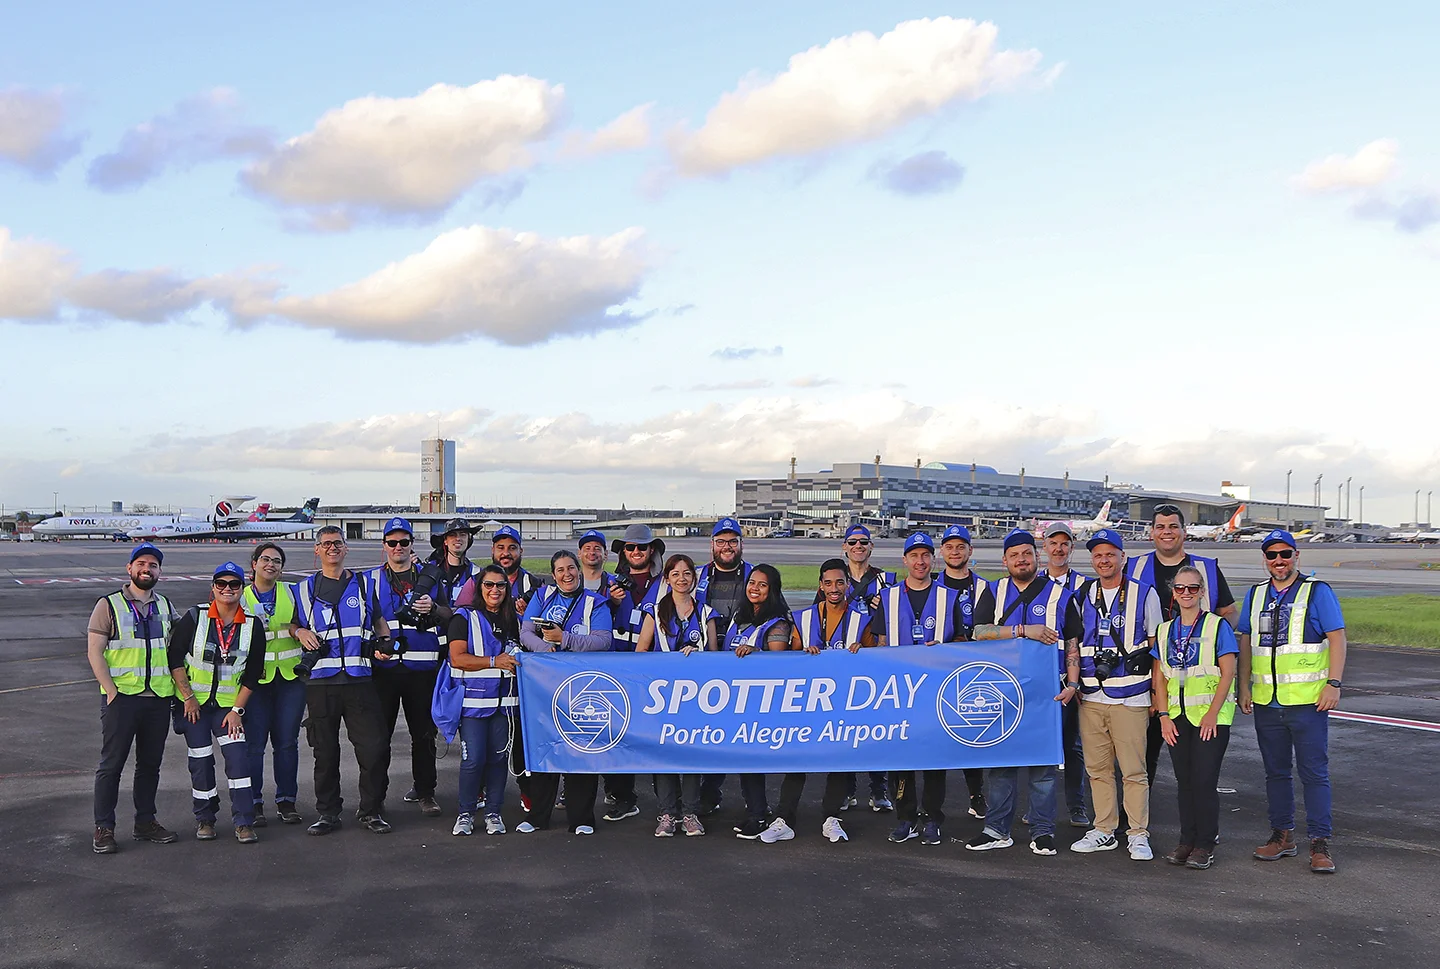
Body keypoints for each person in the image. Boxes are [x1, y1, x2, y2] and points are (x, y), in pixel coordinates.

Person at [1237, 530, 1347, 874]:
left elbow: (1337, 637)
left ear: (1296, 555)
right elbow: (1245, 642)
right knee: (1276, 773)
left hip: (1308, 702)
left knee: (1314, 773)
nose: (1279, 560)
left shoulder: (1317, 591)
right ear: (1265, 559)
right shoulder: (1255, 594)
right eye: (1272, 555)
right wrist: (1243, 686)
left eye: (1285, 553)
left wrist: (1333, 684)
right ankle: (1282, 835)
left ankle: (1319, 842)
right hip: (1266, 701)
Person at [968, 529, 1083, 856]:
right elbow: (978, 632)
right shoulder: (994, 591)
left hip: (1046, 692)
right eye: (1015, 555)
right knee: (1001, 764)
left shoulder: (1060, 595)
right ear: (1005, 560)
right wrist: (1022, 631)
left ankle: (1043, 831)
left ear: (1036, 556)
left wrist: (1073, 684)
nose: (1021, 559)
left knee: (1042, 767)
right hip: (1001, 690)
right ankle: (996, 829)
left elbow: (1072, 642)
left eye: (1027, 554)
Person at [1128, 503, 1240, 790]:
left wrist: (1215, 635)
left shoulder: (1206, 568)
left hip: (1193, 689)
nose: (1167, 532)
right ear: (1152, 532)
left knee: (1194, 770)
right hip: (1146, 675)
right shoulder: (1134, 566)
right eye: (1160, 527)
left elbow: (1229, 611)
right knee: (1141, 758)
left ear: (1184, 531)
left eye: (1173, 526)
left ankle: (1195, 817)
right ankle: (1136, 815)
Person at [292, 525, 394, 835]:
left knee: (373, 749)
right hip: (321, 682)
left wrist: (385, 642)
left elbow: (379, 620)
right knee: (324, 753)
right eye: (326, 544)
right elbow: (291, 623)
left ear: (346, 548)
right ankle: (328, 813)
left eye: (337, 543)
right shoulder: (303, 589)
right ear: (317, 550)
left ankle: (371, 810)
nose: (332, 548)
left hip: (359, 680)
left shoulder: (362, 585)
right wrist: (299, 631)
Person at [1068, 529, 1161, 861]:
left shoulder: (1144, 593)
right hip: (1092, 697)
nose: (1104, 560)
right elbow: (1074, 645)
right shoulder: (1081, 595)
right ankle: (1104, 829)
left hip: (1130, 697)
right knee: (1098, 769)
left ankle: (1137, 833)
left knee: (1134, 771)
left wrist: (1156, 695)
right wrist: (1075, 683)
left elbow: (1156, 646)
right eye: (1098, 555)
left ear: (1123, 557)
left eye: (1110, 554)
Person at [87, 542, 181, 853]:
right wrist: (111, 691)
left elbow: (181, 642)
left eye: (153, 565)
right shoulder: (109, 605)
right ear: (129, 568)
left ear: (159, 571)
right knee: (111, 765)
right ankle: (104, 827)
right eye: (141, 563)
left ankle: (145, 822)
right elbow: (95, 652)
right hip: (122, 698)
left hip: (158, 698)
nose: (146, 569)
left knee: (150, 765)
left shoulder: (165, 605)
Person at [774, 559, 874, 845]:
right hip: (808, 702)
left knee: (839, 760)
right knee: (797, 760)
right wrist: (803, 653)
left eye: (840, 582)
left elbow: (876, 659)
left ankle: (832, 817)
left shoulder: (860, 620)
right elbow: (790, 658)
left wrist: (863, 651)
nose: (834, 588)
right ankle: (784, 819)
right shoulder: (804, 618)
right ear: (820, 585)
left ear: (848, 585)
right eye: (828, 583)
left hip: (844, 703)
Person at [168, 562, 268, 843]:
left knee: (238, 761)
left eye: (234, 584)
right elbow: (175, 658)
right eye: (221, 584)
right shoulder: (195, 617)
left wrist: (237, 710)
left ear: (242, 589)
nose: (227, 589)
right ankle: (205, 818)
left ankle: (244, 821)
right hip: (195, 707)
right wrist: (188, 697)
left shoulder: (252, 626)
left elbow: (252, 674)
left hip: (229, 709)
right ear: (212, 588)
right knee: (200, 762)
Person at [516, 550, 615, 834]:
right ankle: (538, 816)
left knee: (581, 747)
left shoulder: (595, 602)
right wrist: (547, 649)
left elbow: (604, 640)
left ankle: (582, 818)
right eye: (560, 570)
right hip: (545, 684)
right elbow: (525, 632)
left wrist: (565, 639)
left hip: (584, 684)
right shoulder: (542, 596)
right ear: (553, 574)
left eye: (571, 568)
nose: (566, 574)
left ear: (579, 570)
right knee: (545, 745)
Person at [877, 533, 961, 846]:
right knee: (901, 759)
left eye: (925, 555)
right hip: (899, 692)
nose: (920, 561)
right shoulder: (889, 597)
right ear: (905, 560)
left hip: (936, 692)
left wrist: (945, 648)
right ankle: (906, 817)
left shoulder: (948, 597)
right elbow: (880, 642)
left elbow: (962, 640)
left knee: (934, 759)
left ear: (933, 559)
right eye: (914, 555)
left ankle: (932, 817)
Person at [1152, 564, 1238, 870]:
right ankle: (1186, 840)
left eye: (1192, 588)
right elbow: (1160, 677)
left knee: (1204, 781)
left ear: (1201, 592)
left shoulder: (1217, 626)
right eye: (1180, 588)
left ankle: (1205, 844)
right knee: (1184, 782)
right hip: (1177, 717)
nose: (1186, 593)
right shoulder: (1165, 630)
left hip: (1209, 718)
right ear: (1173, 593)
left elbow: (1228, 672)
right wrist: (1163, 716)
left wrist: (1212, 713)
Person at [367, 517, 445, 817]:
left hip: (421, 669)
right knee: (379, 738)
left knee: (424, 736)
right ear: (384, 545)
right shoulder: (371, 580)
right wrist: (374, 648)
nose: (398, 547)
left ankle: (426, 792)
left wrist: (433, 608)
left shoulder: (429, 577)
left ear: (412, 544)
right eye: (392, 542)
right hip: (384, 670)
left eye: (404, 542)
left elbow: (449, 613)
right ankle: (376, 798)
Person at [637, 553, 717, 837]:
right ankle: (667, 813)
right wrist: (667, 662)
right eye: (675, 574)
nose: (682, 579)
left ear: (694, 578)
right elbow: (641, 651)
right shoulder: (655, 611)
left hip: (696, 698)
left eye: (687, 573)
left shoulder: (706, 613)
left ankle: (690, 813)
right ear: (667, 579)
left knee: (691, 754)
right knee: (664, 755)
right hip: (663, 697)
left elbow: (716, 657)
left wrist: (697, 655)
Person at [601, 524, 667, 820]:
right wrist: (612, 603)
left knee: (657, 735)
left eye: (642, 547)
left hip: (654, 672)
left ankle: (668, 804)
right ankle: (622, 796)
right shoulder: (610, 583)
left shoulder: (665, 583)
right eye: (630, 547)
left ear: (652, 550)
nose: (636, 551)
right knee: (618, 733)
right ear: (623, 552)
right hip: (619, 668)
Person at [725, 564, 794, 841]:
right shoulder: (738, 617)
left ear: (772, 590)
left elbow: (778, 660)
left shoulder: (777, 622)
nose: (755, 588)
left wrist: (757, 651)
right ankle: (754, 808)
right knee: (743, 758)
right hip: (736, 699)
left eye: (762, 584)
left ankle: (761, 814)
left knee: (754, 757)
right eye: (752, 582)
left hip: (763, 701)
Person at [240, 542, 306, 827]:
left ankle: (286, 801)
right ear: (254, 564)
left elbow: (302, 623)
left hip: (290, 679)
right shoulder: (239, 596)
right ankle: (254, 803)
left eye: (277, 561)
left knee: (287, 743)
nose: (271, 564)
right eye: (265, 559)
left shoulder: (292, 592)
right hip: (255, 683)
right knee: (254, 746)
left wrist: (297, 630)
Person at [446, 593, 518, 836]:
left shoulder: (513, 618)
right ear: (480, 588)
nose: (495, 590)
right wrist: (493, 661)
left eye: (500, 585)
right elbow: (457, 658)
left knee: (498, 760)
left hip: (505, 703)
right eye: (489, 584)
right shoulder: (463, 618)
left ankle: (493, 813)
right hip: (473, 705)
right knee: (473, 760)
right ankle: (465, 813)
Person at [696, 517, 754, 816]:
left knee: (745, 735)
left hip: (743, 664)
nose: (727, 547)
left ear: (741, 544)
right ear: (712, 545)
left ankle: (754, 802)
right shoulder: (696, 575)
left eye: (732, 541)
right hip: (705, 665)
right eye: (721, 541)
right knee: (708, 732)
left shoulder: (756, 575)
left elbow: (777, 614)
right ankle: (707, 793)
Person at [1037, 521, 1091, 827]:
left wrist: (1077, 678)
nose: (1058, 549)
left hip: (1071, 677)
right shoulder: (1033, 583)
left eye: (1064, 544)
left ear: (1071, 547)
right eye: (1053, 543)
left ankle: (1076, 805)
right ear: (1044, 546)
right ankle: (1038, 809)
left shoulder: (1084, 585)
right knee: (1040, 744)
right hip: (1037, 677)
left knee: (1072, 744)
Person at [936, 523, 991, 820]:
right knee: (937, 735)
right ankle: (933, 806)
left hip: (974, 669)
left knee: (972, 733)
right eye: (949, 547)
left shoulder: (985, 588)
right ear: (941, 551)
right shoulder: (931, 585)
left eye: (960, 547)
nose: (955, 552)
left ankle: (976, 793)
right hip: (938, 669)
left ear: (970, 550)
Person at [491, 525, 542, 614]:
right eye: (500, 548)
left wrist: (528, 615)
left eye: (512, 548)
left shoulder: (535, 585)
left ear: (520, 551)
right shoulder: (476, 581)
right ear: (493, 550)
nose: (506, 553)